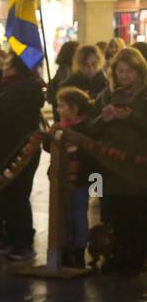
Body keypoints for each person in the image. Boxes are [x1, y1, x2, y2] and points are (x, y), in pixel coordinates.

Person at [86, 47, 147, 275]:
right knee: (114, 214)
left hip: (139, 168)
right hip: (110, 168)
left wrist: (132, 118)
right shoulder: (106, 95)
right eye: (121, 71)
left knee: (137, 215)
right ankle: (117, 255)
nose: (125, 76)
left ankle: (136, 258)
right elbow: (90, 128)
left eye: (130, 71)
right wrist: (105, 118)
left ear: (139, 71)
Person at [0, 54, 45, 261]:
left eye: (8, 64)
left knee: (18, 195)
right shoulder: (4, 86)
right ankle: (7, 234)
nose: (4, 67)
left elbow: (6, 115)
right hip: (0, 148)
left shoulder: (26, 90)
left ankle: (23, 240)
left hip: (19, 149)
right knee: (3, 195)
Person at [51, 87, 95, 269]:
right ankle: (66, 248)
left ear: (75, 108)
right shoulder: (60, 127)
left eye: (62, 106)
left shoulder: (85, 129)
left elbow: (89, 157)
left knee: (78, 214)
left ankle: (78, 250)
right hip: (62, 180)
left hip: (79, 180)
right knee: (65, 215)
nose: (59, 110)